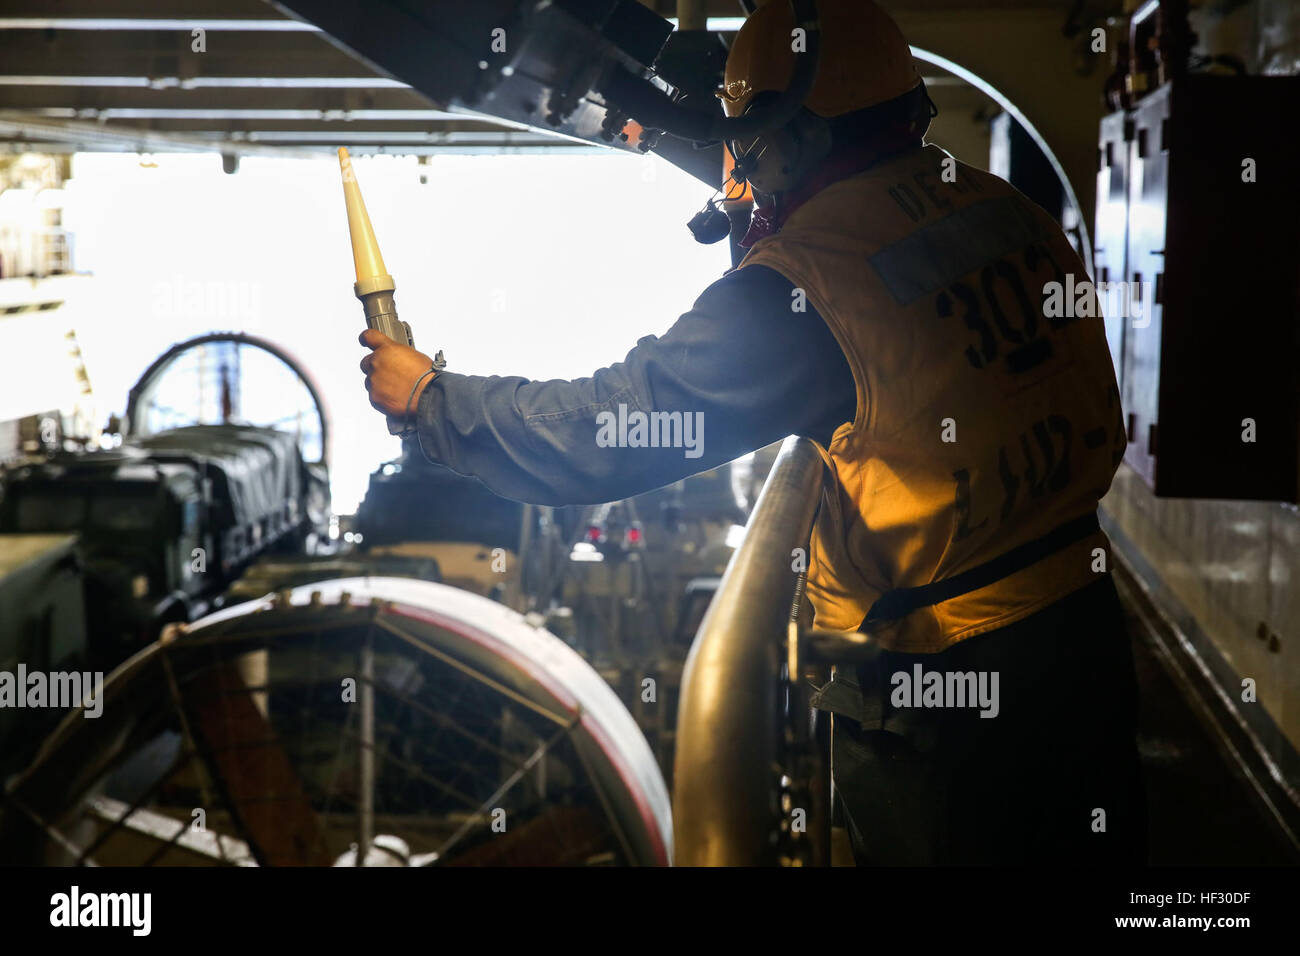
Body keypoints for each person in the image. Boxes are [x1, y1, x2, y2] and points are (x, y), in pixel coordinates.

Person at [359, 0, 1145, 865]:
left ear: (789, 141)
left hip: (951, 691)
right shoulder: (1004, 209)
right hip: (1085, 638)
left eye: (750, 146)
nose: (741, 170)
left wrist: (434, 400)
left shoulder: (809, 286)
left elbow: (615, 426)